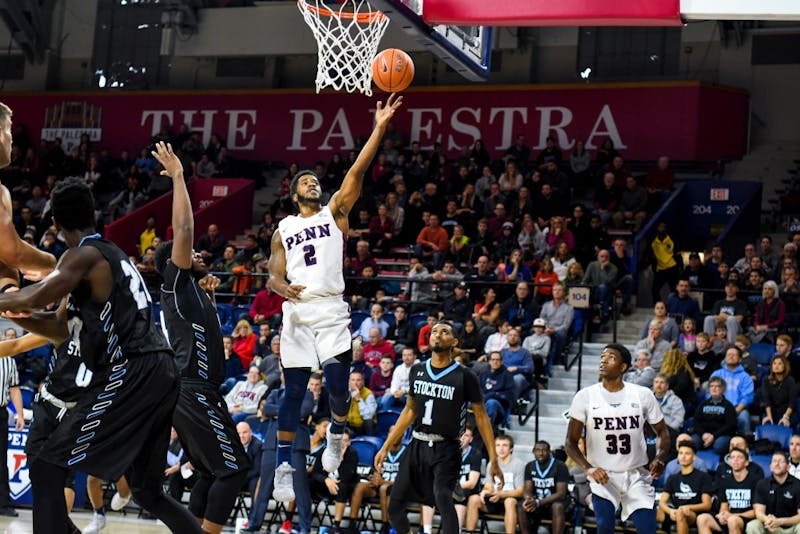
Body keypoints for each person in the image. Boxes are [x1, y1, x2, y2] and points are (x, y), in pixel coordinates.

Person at [0, 176, 202, 534]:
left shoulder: (84, 256)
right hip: (161, 370)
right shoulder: (109, 254)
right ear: (93, 213)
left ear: (55, 224)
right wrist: (16, 311)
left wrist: (14, 301)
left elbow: (35, 296)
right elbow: (60, 325)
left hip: (131, 371)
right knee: (147, 490)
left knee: (47, 467)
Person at [265, 92, 402, 502]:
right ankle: (285, 466)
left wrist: (379, 128)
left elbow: (357, 173)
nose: (314, 184)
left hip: (331, 309)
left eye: (316, 181)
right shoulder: (283, 229)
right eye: (306, 182)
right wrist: (281, 287)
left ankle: (337, 433)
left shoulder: (334, 213)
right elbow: (271, 276)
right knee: (294, 392)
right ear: (294, 194)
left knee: (339, 390)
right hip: (298, 312)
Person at [150, 141, 250, 534]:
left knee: (210, 472)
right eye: (189, 255)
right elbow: (186, 228)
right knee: (234, 470)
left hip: (196, 389)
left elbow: (206, 339)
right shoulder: (174, 282)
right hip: (193, 389)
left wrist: (208, 297)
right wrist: (179, 177)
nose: (198, 255)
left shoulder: (192, 293)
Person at [374, 322, 503, 534]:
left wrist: (494, 459)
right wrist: (386, 446)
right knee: (394, 506)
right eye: (434, 331)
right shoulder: (417, 370)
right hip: (417, 444)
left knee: (443, 497)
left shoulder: (465, 375)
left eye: (444, 332)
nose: (437, 335)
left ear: (454, 342)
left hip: (446, 448)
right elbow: (409, 411)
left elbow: (481, 416)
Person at [566, 343, 671, 534]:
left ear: (623, 367)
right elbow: (570, 443)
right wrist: (588, 468)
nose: (603, 360)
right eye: (602, 357)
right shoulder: (585, 396)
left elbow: (663, 432)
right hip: (603, 475)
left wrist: (660, 456)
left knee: (648, 530)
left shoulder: (643, 395)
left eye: (611, 357)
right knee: (605, 527)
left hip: (636, 474)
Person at [465, 435, 526, 534]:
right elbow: (489, 485)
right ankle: (469, 532)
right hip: (494, 500)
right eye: (497, 445)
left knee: (509, 502)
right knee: (474, 499)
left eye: (504, 445)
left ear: (511, 449)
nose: (501, 449)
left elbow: (520, 491)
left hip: (510, 500)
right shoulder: (492, 464)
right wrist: (485, 491)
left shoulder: (519, 465)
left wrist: (501, 494)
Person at [695, 446, 758, 534]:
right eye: (733, 457)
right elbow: (724, 505)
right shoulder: (725, 481)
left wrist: (733, 515)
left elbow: (756, 512)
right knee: (702, 519)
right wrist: (722, 515)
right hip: (730, 517)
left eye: (739, 457)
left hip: (746, 519)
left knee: (733, 521)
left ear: (746, 462)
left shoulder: (755, 481)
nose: (735, 460)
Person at [657, 440, 712, 534]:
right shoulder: (673, 478)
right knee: (649, 511)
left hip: (692, 513)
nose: (683, 456)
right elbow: (662, 502)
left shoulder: (703, 477)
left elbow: (707, 505)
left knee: (680, 513)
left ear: (694, 457)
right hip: (674, 511)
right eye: (681, 453)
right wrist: (670, 511)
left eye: (687, 454)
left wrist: (687, 507)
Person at [520, 441, 569, 534]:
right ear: (533, 452)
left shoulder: (560, 466)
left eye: (544, 450)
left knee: (557, 506)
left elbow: (561, 494)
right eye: (537, 450)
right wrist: (529, 499)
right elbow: (527, 490)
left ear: (549, 452)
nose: (540, 453)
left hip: (555, 504)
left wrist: (538, 502)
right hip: (538, 504)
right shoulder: (530, 466)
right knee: (522, 506)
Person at [748, 452, 800, 534]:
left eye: (781, 461)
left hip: (791, 527)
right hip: (770, 526)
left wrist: (780, 521)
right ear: (770, 467)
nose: (777, 464)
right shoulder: (762, 484)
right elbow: (759, 512)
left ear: (788, 467)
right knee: (753, 525)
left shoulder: (798, 485)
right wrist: (767, 520)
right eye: (774, 461)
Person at [692, 376, 738, 455]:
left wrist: (713, 436)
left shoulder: (728, 406)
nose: (714, 388)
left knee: (719, 446)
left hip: (721, 435)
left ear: (723, 389)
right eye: (711, 386)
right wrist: (703, 434)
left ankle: (709, 444)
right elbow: (696, 422)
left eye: (717, 386)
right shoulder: (702, 404)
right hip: (704, 435)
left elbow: (730, 425)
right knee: (692, 443)